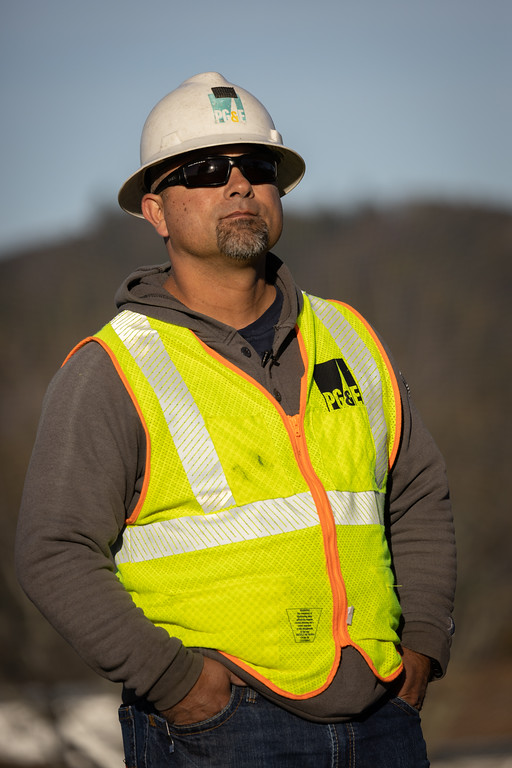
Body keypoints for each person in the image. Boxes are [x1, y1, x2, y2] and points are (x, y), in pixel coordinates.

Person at [16, 72, 456, 767]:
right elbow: (53, 551)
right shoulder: (112, 367)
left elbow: (418, 495)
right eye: (205, 169)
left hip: (384, 718)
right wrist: (178, 685)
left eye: (257, 166)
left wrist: (424, 647)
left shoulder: (349, 336)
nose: (239, 183)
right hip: (222, 730)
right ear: (156, 212)